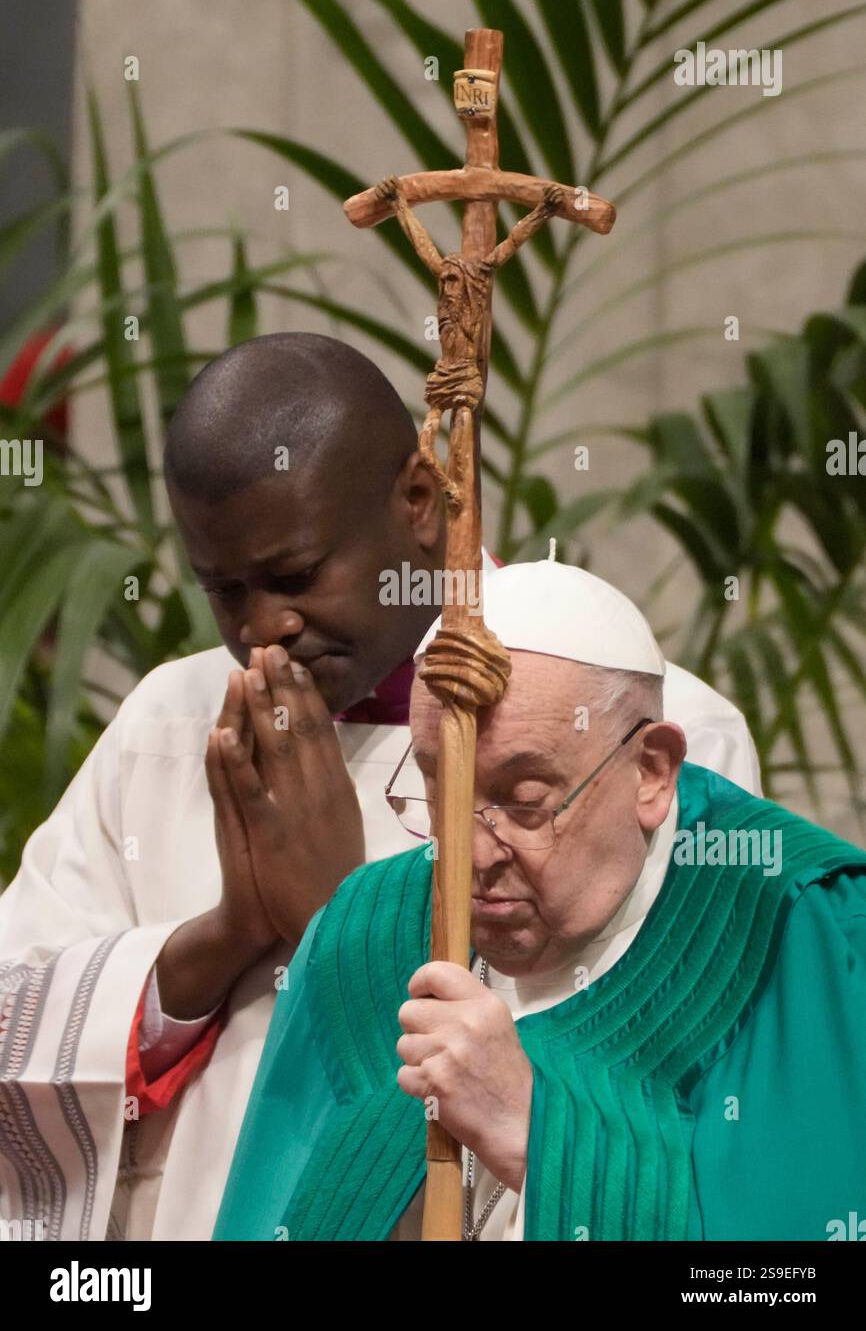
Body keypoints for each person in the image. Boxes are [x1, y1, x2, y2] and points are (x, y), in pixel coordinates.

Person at [0, 334, 759, 1242]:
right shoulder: (170, 723)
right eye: (223, 590)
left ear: (417, 500)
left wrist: (338, 921)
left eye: (295, 576)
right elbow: (18, 1024)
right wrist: (232, 931)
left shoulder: (643, 729)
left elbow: (663, 1099)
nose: (264, 630)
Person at [215, 557, 866, 1242]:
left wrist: (539, 1136)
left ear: (651, 772)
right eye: (441, 792)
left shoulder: (806, 933)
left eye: (524, 804)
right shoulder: (364, 936)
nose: (471, 858)